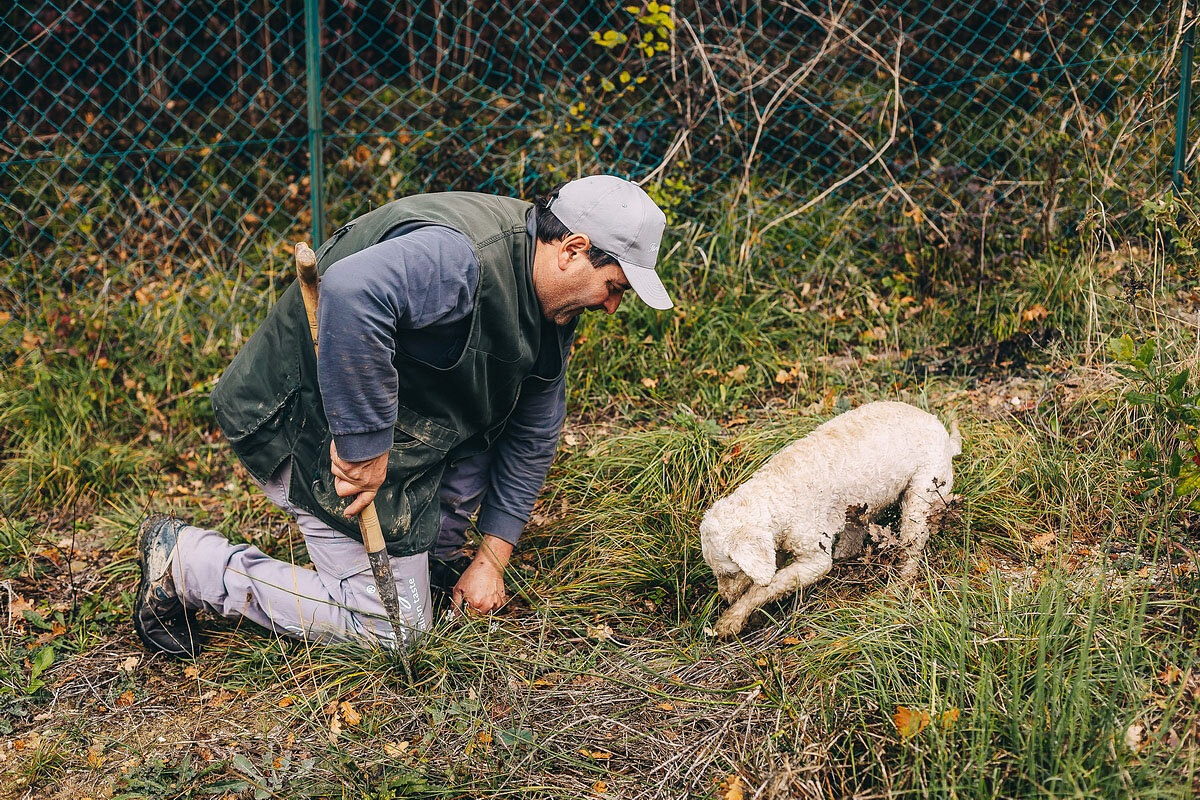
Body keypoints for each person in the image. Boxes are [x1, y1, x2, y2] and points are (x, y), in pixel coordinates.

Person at [132, 175, 672, 658]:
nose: (611, 307)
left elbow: (533, 432)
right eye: (614, 288)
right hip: (304, 416)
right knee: (393, 630)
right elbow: (350, 291)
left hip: (412, 426)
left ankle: (414, 555)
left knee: (432, 570)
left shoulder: (552, 299)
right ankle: (187, 563)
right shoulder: (460, 258)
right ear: (573, 250)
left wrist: (491, 558)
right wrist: (364, 448)